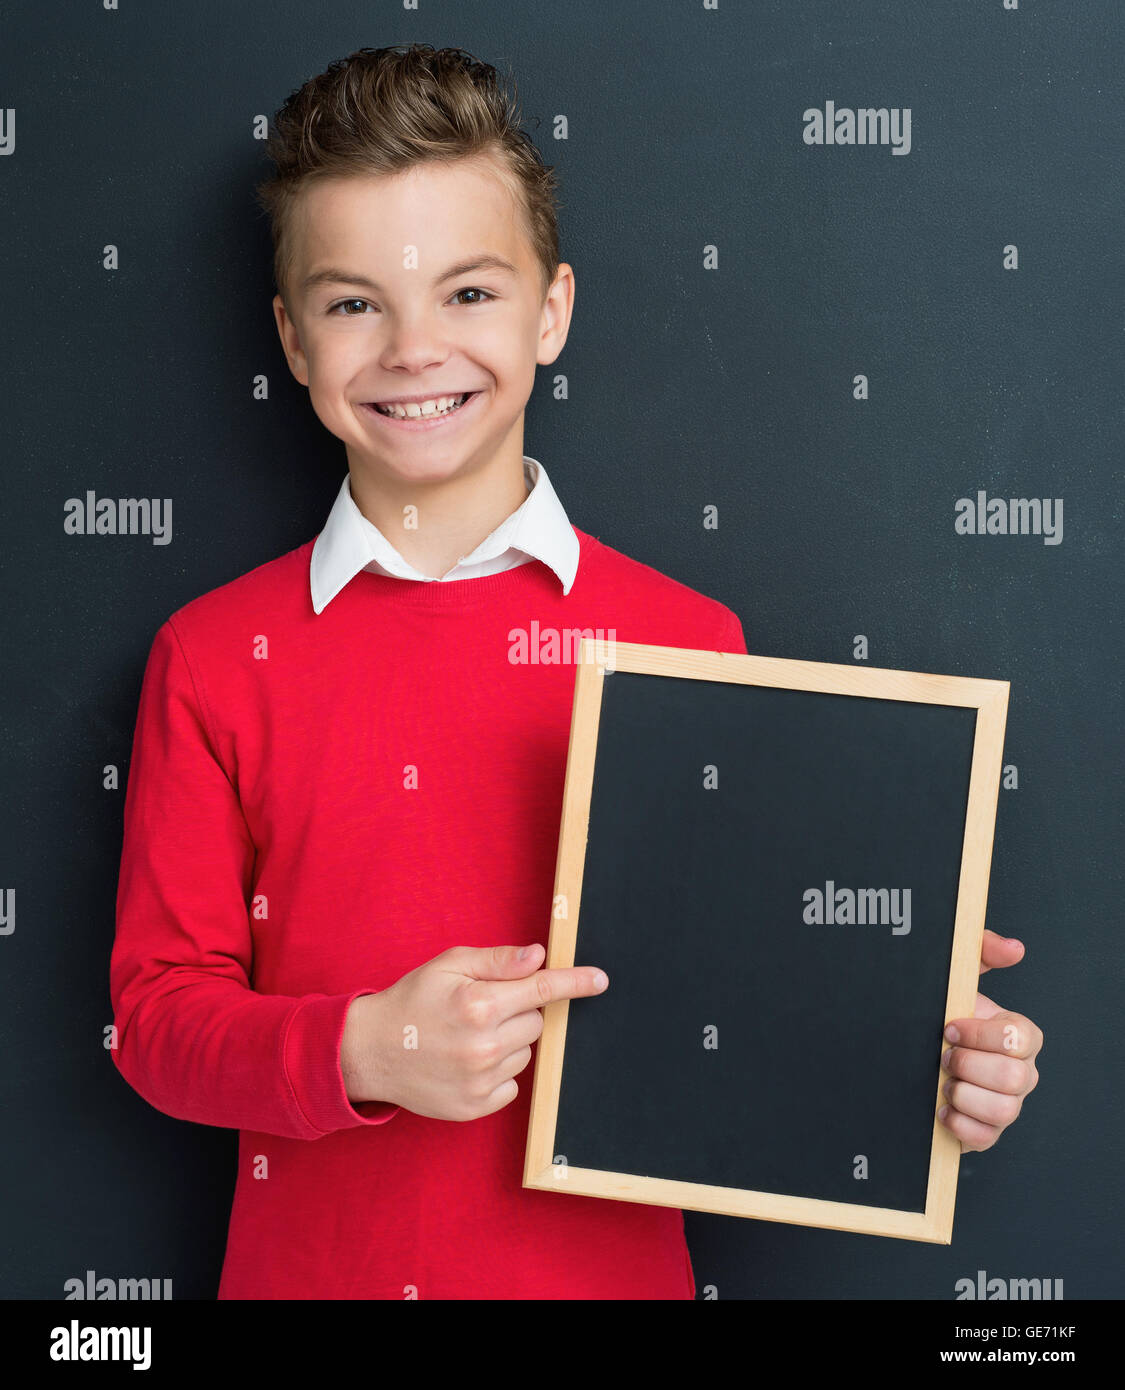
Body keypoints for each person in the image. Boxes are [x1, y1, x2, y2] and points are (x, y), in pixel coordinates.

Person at [109, 43, 1042, 1300]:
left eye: (469, 293)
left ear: (551, 312)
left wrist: (909, 1056)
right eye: (352, 304)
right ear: (291, 336)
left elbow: (742, 1008)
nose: (412, 348)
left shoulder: (687, 638)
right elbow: (158, 1021)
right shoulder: (215, 654)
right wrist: (369, 1045)